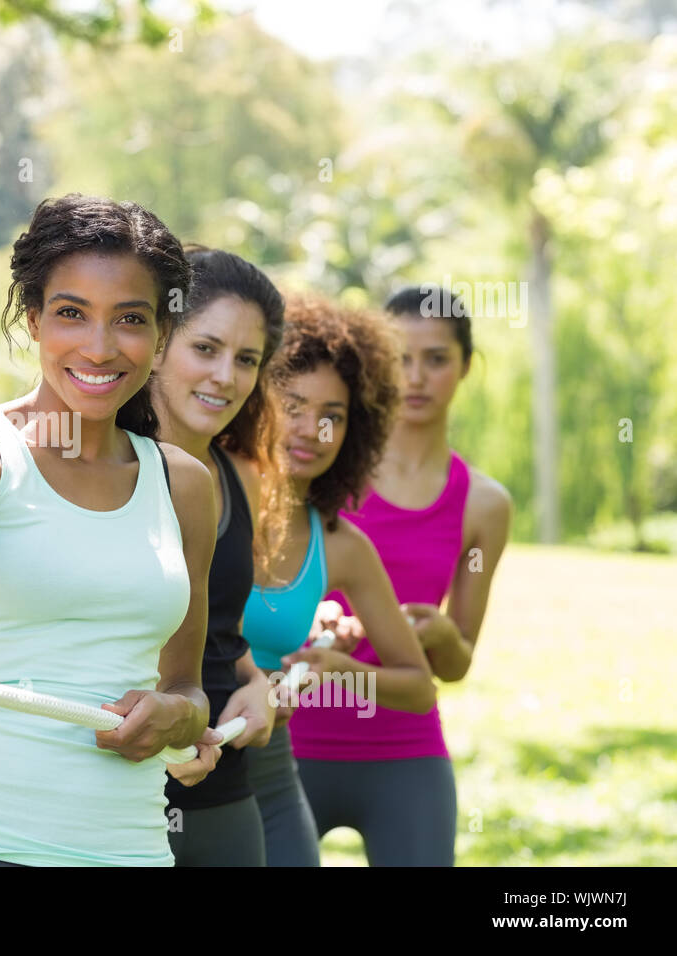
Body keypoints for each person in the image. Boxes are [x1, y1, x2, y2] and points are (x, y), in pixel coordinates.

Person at [0, 194, 218, 867]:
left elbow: (187, 686)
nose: (98, 346)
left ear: (159, 336)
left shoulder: (184, 485)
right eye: (71, 314)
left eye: (129, 319)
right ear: (33, 320)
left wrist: (178, 717)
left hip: (126, 850)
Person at [289, 285, 513, 866]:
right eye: (400, 358)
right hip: (290, 742)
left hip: (407, 751)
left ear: (466, 366)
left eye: (436, 359)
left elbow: (458, 665)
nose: (416, 376)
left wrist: (440, 634)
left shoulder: (484, 504)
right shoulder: (319, 467)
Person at [240, 293, 437, 866]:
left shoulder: (342, 545)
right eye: (293, 404)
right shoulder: (202, 497)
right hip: (176, 776)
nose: (312, 430)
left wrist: (341, 670)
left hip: (272, 779)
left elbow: (418, 686)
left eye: (334, 416)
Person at [149, 247, 287, 866]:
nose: (226, 376)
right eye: (205, 348)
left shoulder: (242, 479)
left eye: (246, 360)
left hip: (227, 794)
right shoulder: (94, 470)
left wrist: (260, 687)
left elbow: (224, 635)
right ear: (156, 341)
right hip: (112, 791)